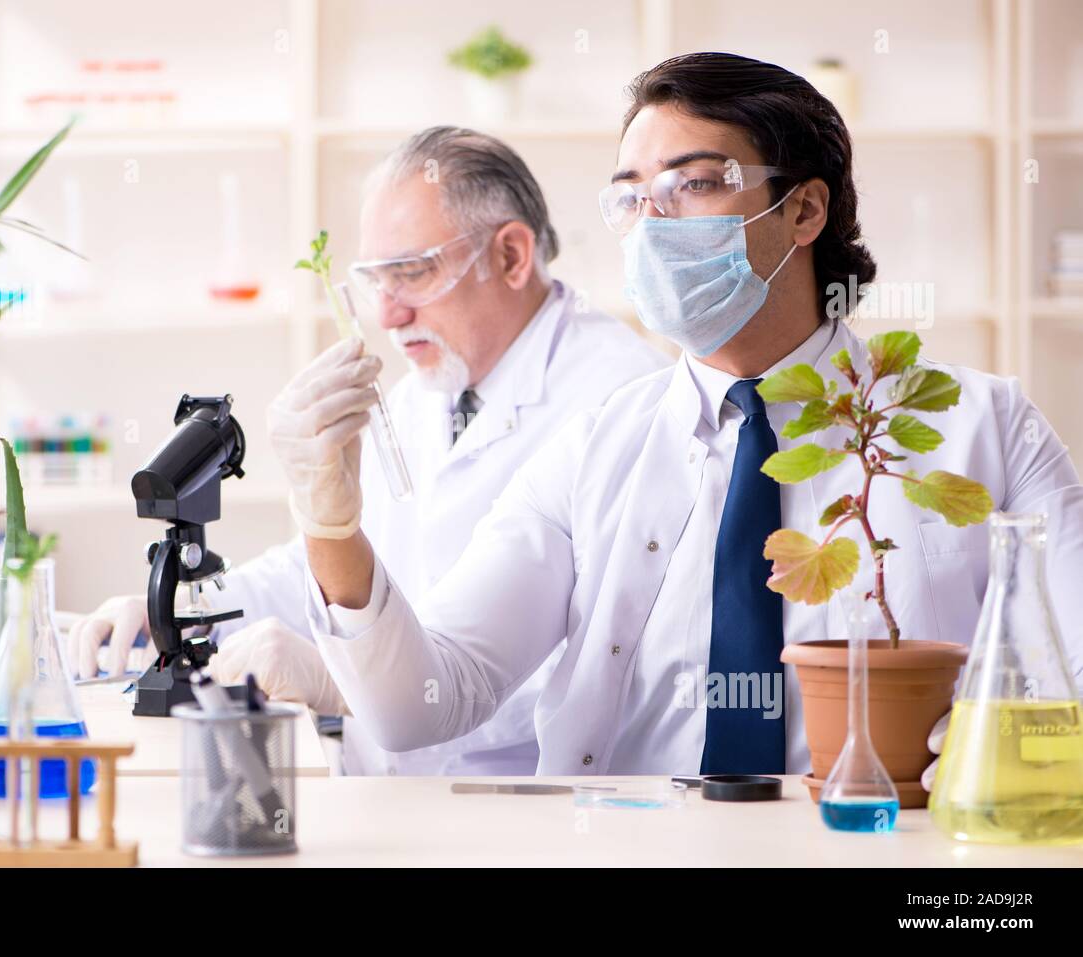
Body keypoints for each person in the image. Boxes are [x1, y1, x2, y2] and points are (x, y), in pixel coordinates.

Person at [278, 53, 1083, 778]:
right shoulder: (594, 447)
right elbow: (424, 704)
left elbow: (1074, 674)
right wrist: (332, 530)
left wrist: (1009, 742)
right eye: (631, 197)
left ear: (804, 211)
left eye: (693, 183)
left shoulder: (986, 428)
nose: (651, 224)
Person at [71, 126, 669, 775]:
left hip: (513, 804)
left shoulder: (621, 401)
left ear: (511, 256)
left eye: (412, 272)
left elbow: (595, 672)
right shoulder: (427, 391)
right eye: (375, 280)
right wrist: (188, 612)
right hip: (382, 793)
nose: (388, 315)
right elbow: (323, 569)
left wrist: (346, 680)